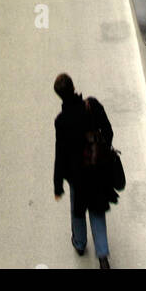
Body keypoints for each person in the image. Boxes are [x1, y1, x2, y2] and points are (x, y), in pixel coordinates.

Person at [52, 73, 117, 268]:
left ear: (59, 96)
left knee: (77, 208)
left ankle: (79, 243)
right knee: (97, 209)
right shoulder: (92, 106)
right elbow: (108, 131)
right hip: (96, 169)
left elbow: (61, 153)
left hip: (76, 175)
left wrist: (58, 185)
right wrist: (103, 150)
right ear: (73, 87)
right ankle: (103, 256)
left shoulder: (61, 121)